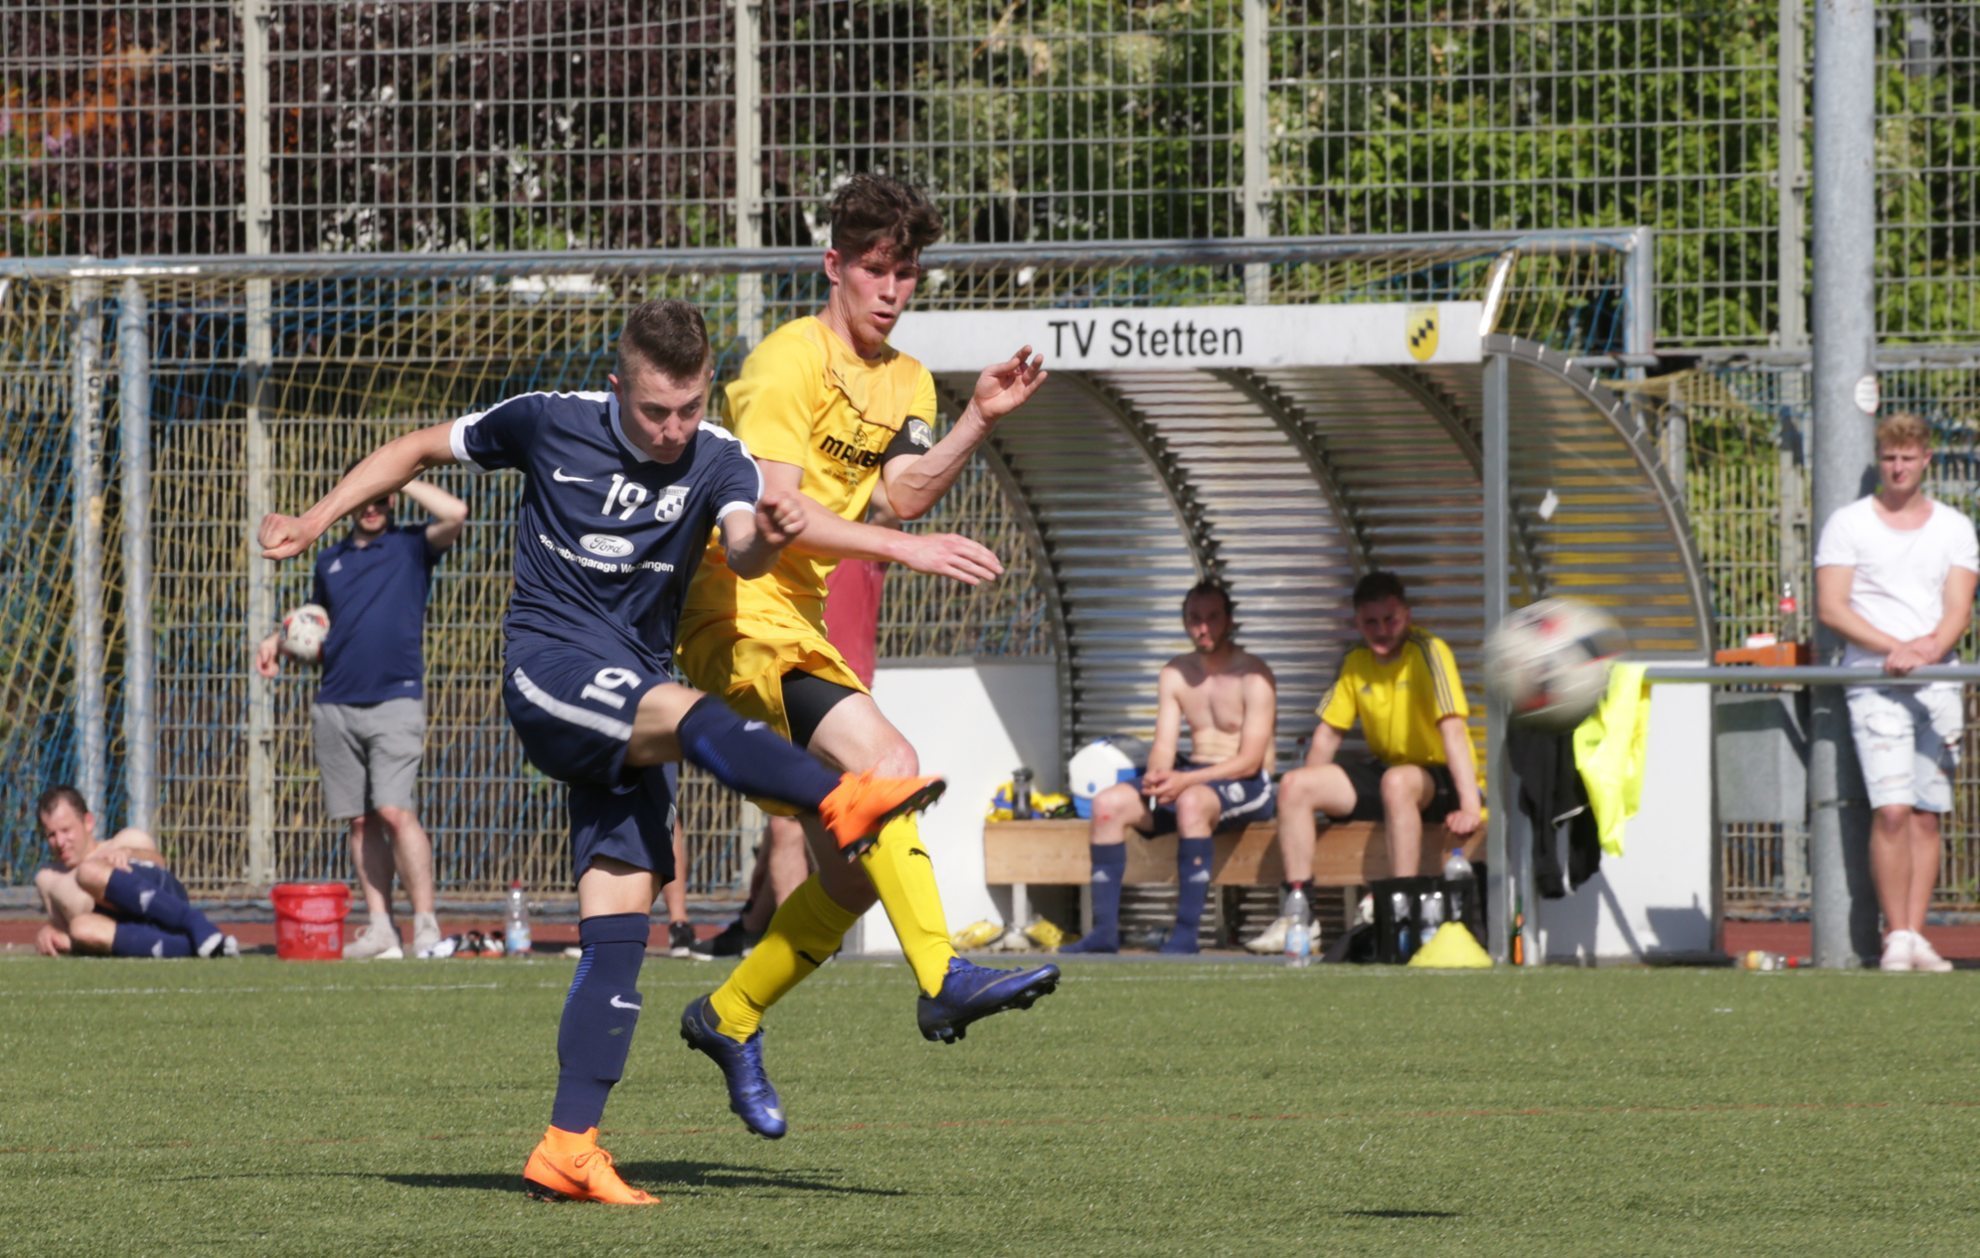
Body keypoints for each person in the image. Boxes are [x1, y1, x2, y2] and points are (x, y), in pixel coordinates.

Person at [258, 298, 946, 1206]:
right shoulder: (550, 420)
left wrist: (766, 538)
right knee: (697, 714)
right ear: (619, 385)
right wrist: (312, 521)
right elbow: (418, 447)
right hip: (554, 672)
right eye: (656, 409)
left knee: (619, 930)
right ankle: (837, 799)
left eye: (691, 407)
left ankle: (567, 1146)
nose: (673, 429)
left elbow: (739, 548)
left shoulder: (719, 457)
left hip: (632, 703)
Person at [674, 173, 1059, 1138]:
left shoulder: (909, 380)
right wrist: (901, 549)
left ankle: (729, 1014)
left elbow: (905, 494)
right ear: (833, 266)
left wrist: (979, 418)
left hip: (795, 629)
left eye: (907, 273)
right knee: (889, 766)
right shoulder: (783, 364)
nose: (892, 290)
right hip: (735, 617)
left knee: (848, 875)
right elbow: (777, 521)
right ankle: (942, 978)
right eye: (876, 270)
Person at [256, 474, 468, 961]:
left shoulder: (412, 546)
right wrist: (277, 639)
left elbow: (455, 514)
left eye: (381, 498)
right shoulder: (330, 560)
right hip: (335, 702)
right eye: (363, 499)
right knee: (359, 821)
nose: (372, 507)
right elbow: (315, 623)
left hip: (396, 699)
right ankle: (380, 930)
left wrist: (403, 475)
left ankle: (426, 926)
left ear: (391, 498)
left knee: (395, 811)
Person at [692, 486, 897, 961]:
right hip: (787, 671)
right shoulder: (787, 520)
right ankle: (794, 944)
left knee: (802, 815)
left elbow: (896, 498)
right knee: (794, 816)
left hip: (840, 680)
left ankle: (760, 924)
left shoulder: (856, 527)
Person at [1814, 411, 1977, 973]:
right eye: (1889, 458)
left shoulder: (1955, 527)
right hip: (1875, 683)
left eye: (1909, 457)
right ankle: (1895, 933)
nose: (1899, 467)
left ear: (1926, 460)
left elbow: (1959, 608)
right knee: (1891, 810)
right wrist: (1894, 649)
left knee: (1928, 814)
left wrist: (1930, 649)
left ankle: (1917, 933)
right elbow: (1832, 606)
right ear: (1879, 462)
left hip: (1938, 683)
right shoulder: (1849, 523)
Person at [1246, 569, 1482, 953]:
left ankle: (1398, 905)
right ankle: (1299, 914)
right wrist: (1303, 805)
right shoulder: (1355, 660)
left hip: (1440, 778)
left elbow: (1453, 730)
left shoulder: (1429, 651)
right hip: (1392, 773)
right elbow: (1326, 736)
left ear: (1407, 615)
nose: (1382, 630)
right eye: (1371, 622)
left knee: (1397, 782)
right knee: (1294, 784)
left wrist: (1471, 804)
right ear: (1357, 623)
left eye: (1390, 619)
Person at [1062, 582, 1278, 954]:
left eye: (1212, 618)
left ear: (1228, 620)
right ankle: (1104, 933)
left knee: (1192, 801)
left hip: (1246, 784)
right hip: (1191, 777)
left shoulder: (1254, 675)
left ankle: (1185, 935)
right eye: (1195, 619)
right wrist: (1160, 776)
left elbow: (1250, 761)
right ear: (1184, 622)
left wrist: (1184, 780)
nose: (1203, 628)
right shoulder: (1176, 673)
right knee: (1106, 805)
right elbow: (1164, 745)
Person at [32, 785, 238, 959]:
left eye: (66, 830)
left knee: (87, 871)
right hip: (131, 930)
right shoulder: (48, 879)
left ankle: (195, 922)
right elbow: (62, 928)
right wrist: (48, 932)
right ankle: (194, 946)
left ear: (88, 822)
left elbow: (160, 866)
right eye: (51, 835)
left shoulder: (125, 840)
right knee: (80, 928)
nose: (59, 842)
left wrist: (129, 853)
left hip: (166, 906)